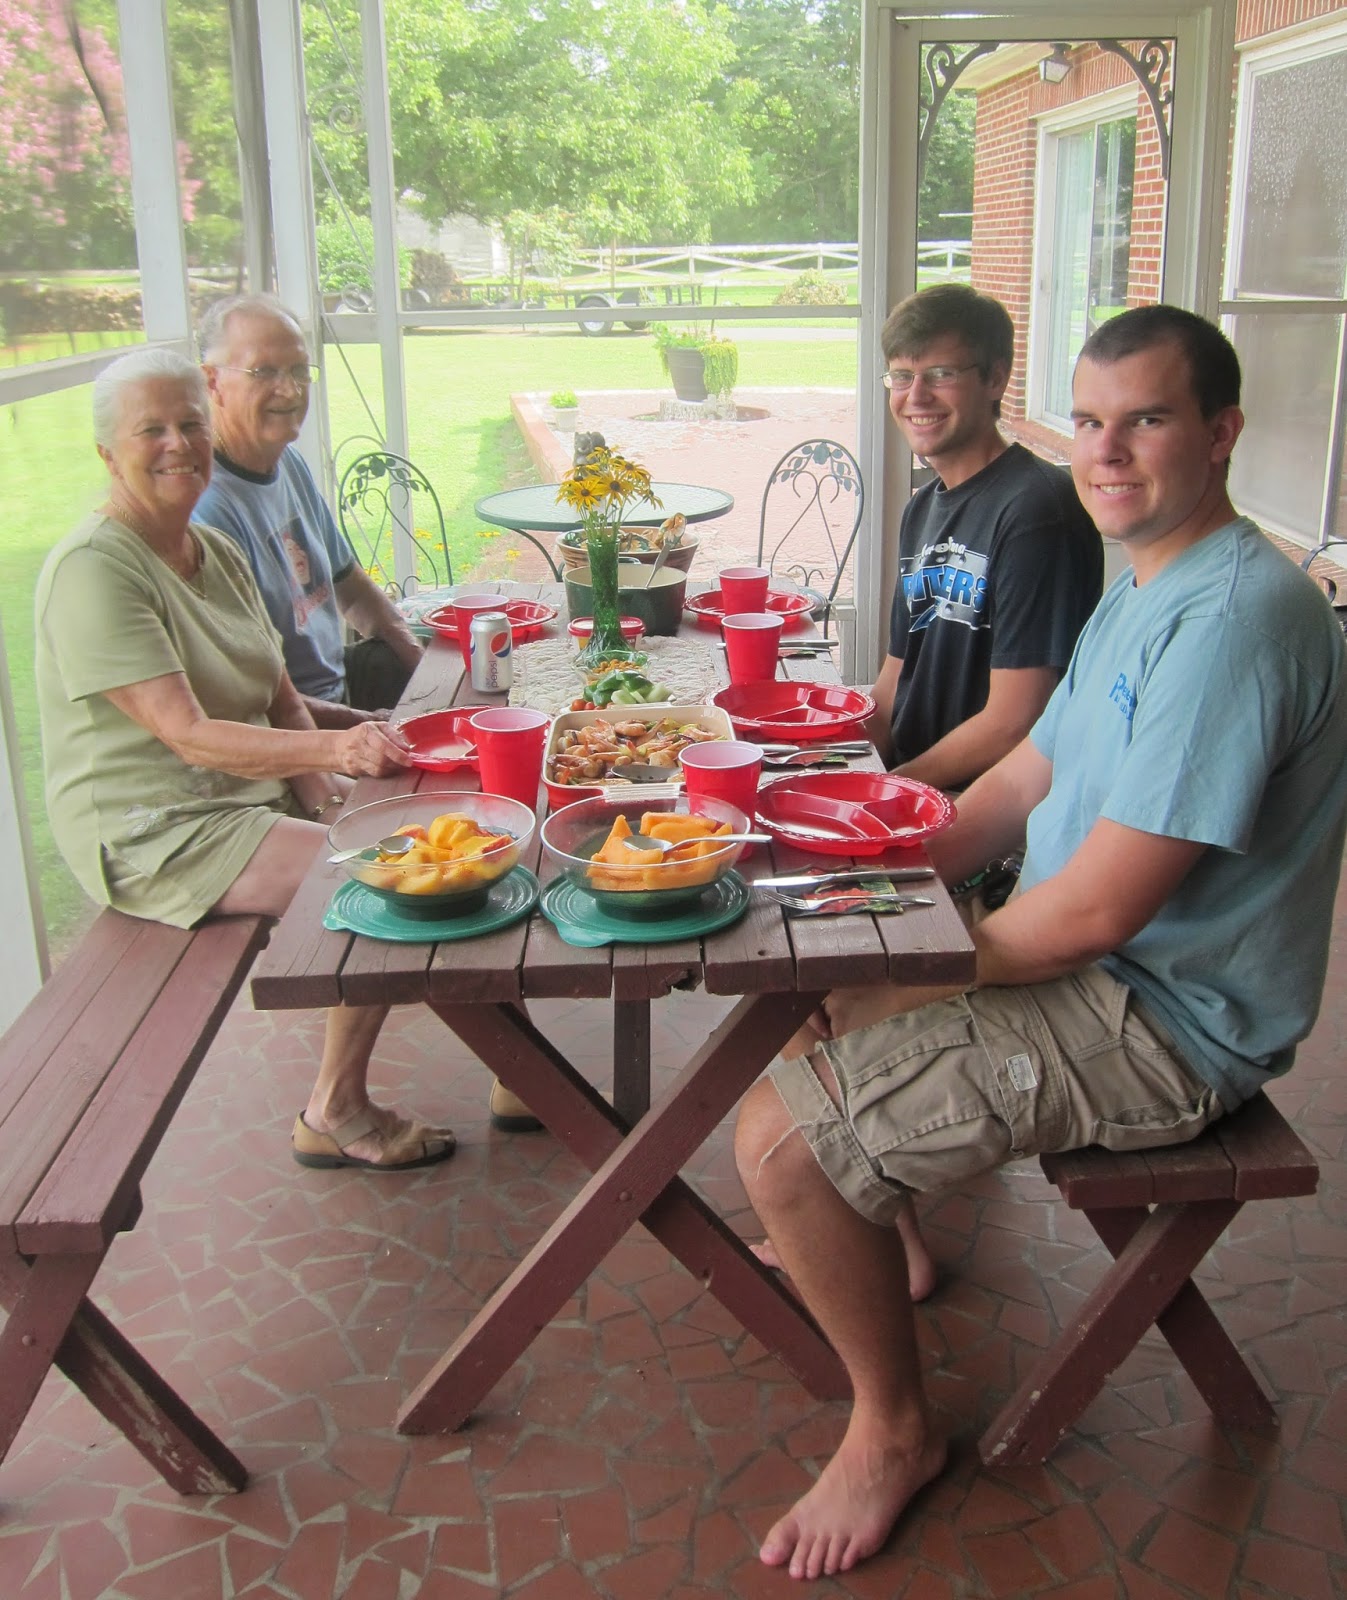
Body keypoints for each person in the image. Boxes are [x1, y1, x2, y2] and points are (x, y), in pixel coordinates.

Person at [733, 305, 1347, 1581]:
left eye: (1150, 419)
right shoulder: (1149, 585)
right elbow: (1024, 775)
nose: (1110, 450)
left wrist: (916, 949)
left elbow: (1099, 910)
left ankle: (891, 1434)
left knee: (781, 1145)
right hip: (1096, 966)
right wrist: (879, 865)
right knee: (807, 980)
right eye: (1094, 420)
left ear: (1222, 433)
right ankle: (879, 1221)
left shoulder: (1237, 616)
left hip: (1163, 1021)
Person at [34, 347, 453, 1173]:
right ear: (106, 452)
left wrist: (331, 791)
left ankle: (519, 1078)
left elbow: (278, 696)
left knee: (428, 832)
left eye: (190, 423)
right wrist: (335, 757)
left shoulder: (209, 549)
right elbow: (184, 733)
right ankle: (334, 1107)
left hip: (244, 795)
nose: (178, 445)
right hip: (156, 828)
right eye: (150, 429)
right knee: (386, 879)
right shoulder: (95, 571)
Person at [870, 283, 1103, 791]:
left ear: (996, 378)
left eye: (941, 374)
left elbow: (1016, 720)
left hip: (984, 810)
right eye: (903, 376)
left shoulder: (1037, 511)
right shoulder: (923, 506)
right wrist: (844, 767)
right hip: (916, 783)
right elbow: (893, 680)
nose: (916, 396)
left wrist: (888, 791)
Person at [194, 293, 424, 730]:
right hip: (287, 726)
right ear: (212, 382)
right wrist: (367, 725)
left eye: (300, 370)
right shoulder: (206, 509)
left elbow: (352, 591)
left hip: (342, 686)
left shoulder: (289, 462)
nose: (291, 389)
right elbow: (248, 698)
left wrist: (424, 666)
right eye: (264, 372)